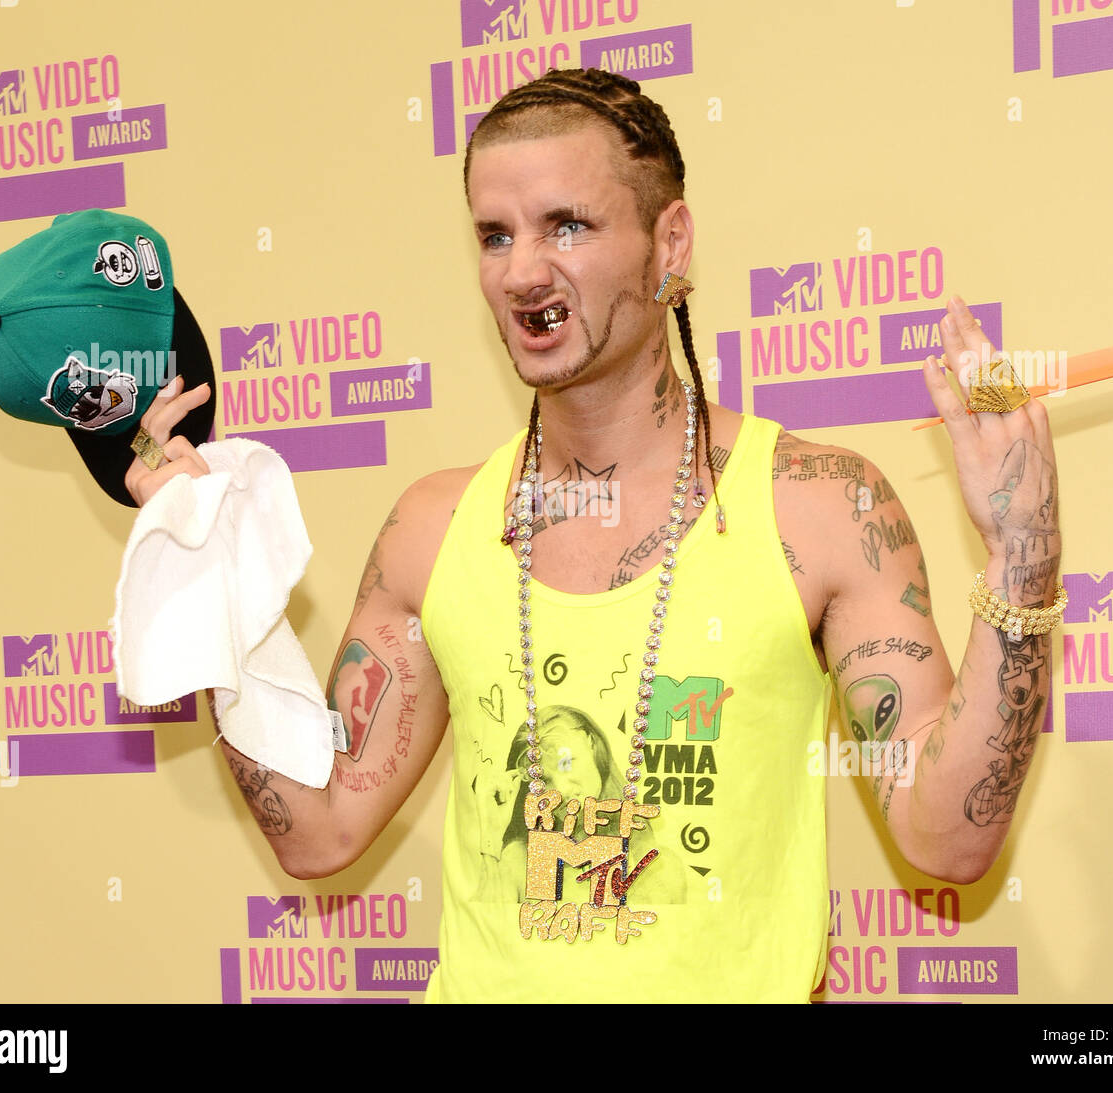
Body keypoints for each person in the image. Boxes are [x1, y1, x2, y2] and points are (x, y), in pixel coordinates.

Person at [124, 69, 1063, 1002]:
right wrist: (205, 568)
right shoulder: (433, 528)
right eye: (494, 235)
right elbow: (318, 830)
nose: (522, 271)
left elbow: (950, 837)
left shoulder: (819, 508)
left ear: (671, 244)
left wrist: (1022, 561)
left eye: (566, 225)